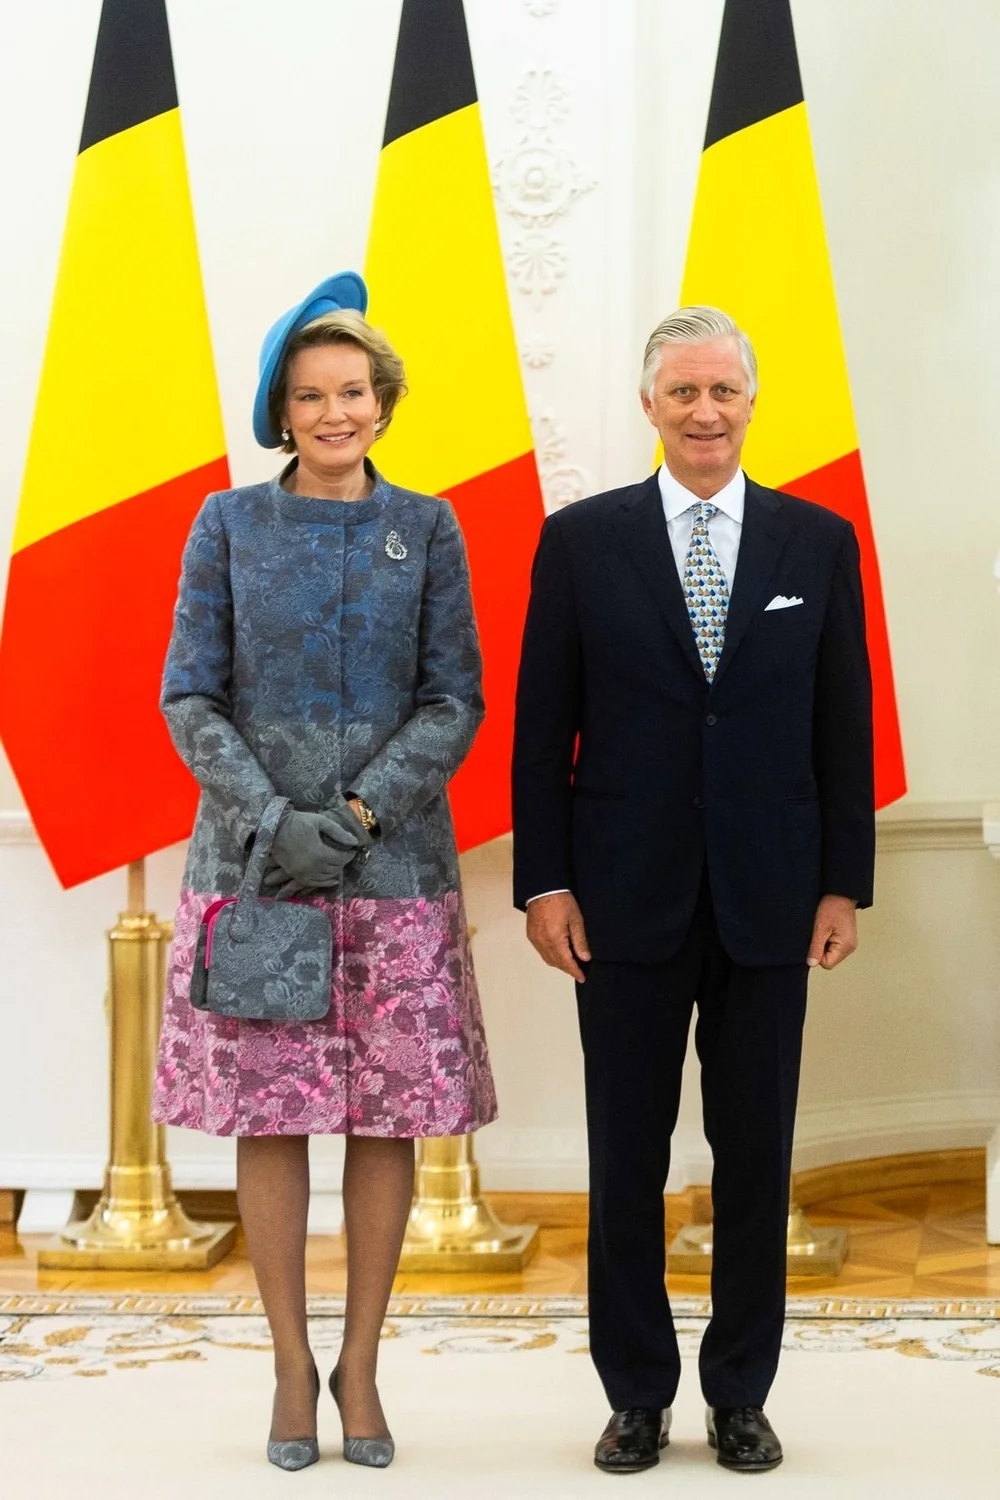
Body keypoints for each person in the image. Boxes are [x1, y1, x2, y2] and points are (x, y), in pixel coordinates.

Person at [512, 306, 874, 1474]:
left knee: (755, 1157)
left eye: (723, 391)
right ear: (649, 407)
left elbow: (843, 727)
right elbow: (540, 732)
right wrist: (544, 882)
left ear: (752, 402)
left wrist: (843, 885)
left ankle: (738, 1394)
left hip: (773, 899)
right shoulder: (580, 543)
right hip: (620, 900)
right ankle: (633, 1397)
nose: (705, 412)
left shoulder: (815, 542)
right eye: (683, 393)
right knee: (624, 1152)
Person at [152, 273, 496, 1472]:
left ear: (383, 401)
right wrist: (270, 823)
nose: (334, 411)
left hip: (392, 869)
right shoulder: (225, 527)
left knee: (386, 1116)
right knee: (272, 1116)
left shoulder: (432, 527)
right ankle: (291, 1365)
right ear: (280, 410)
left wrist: (350, 814)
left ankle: (362, 1362)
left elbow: (457, 697)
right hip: (256, 877)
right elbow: (187, 693)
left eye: (353, 390)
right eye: (310, 395)